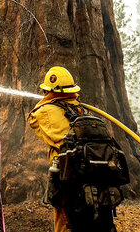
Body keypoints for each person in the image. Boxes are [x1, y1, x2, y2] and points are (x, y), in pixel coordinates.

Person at [28, 65, 83, 232]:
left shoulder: (45, 111)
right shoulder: (80, 109)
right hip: (92, 176)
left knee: (65, 221)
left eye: (46, 91)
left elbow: (33, 119)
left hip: (68, 176)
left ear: (51, 92)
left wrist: (47, 100)